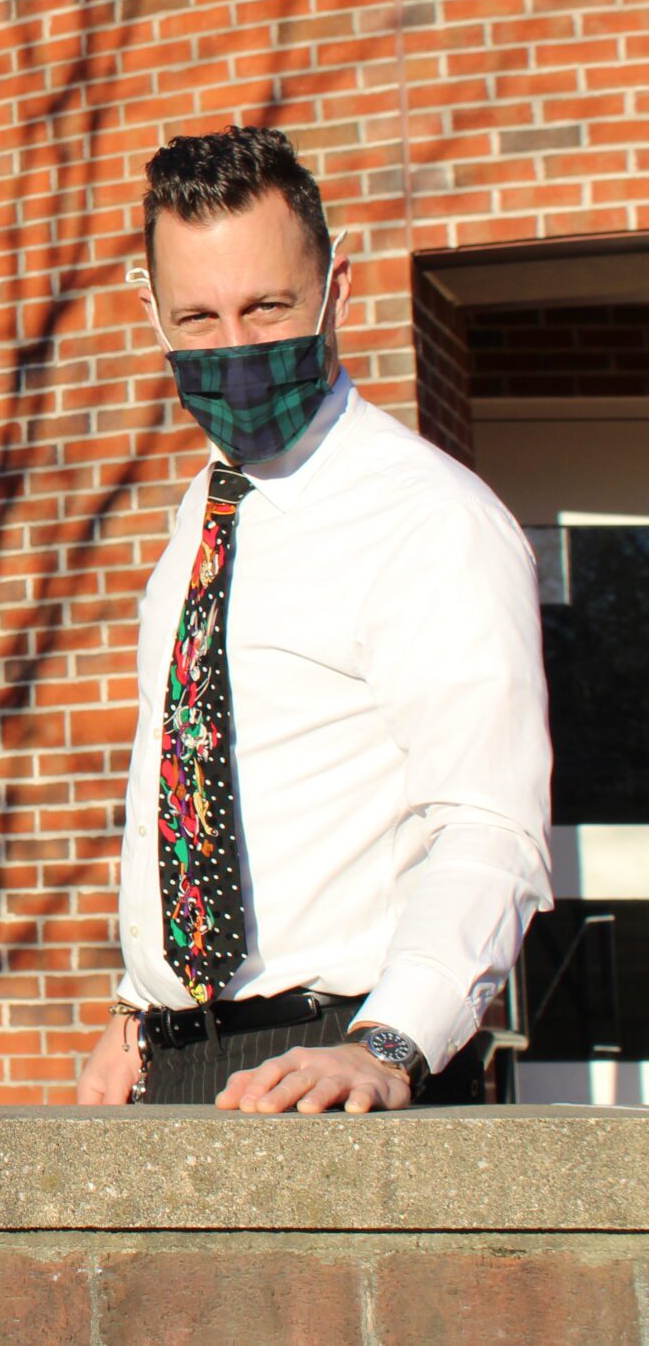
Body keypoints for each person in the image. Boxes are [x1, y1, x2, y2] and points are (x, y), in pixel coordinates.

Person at [75, 126, 552, 1112]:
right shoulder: (202, 515)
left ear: (336, 288)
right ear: (151, 313)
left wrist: (388, 1045)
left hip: (346, 1066)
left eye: (267, 307)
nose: (235, 347)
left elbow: (489, 825)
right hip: (181, 1068)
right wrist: (138, 1009)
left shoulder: (431, 521)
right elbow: (197, 781)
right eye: (198, 317)